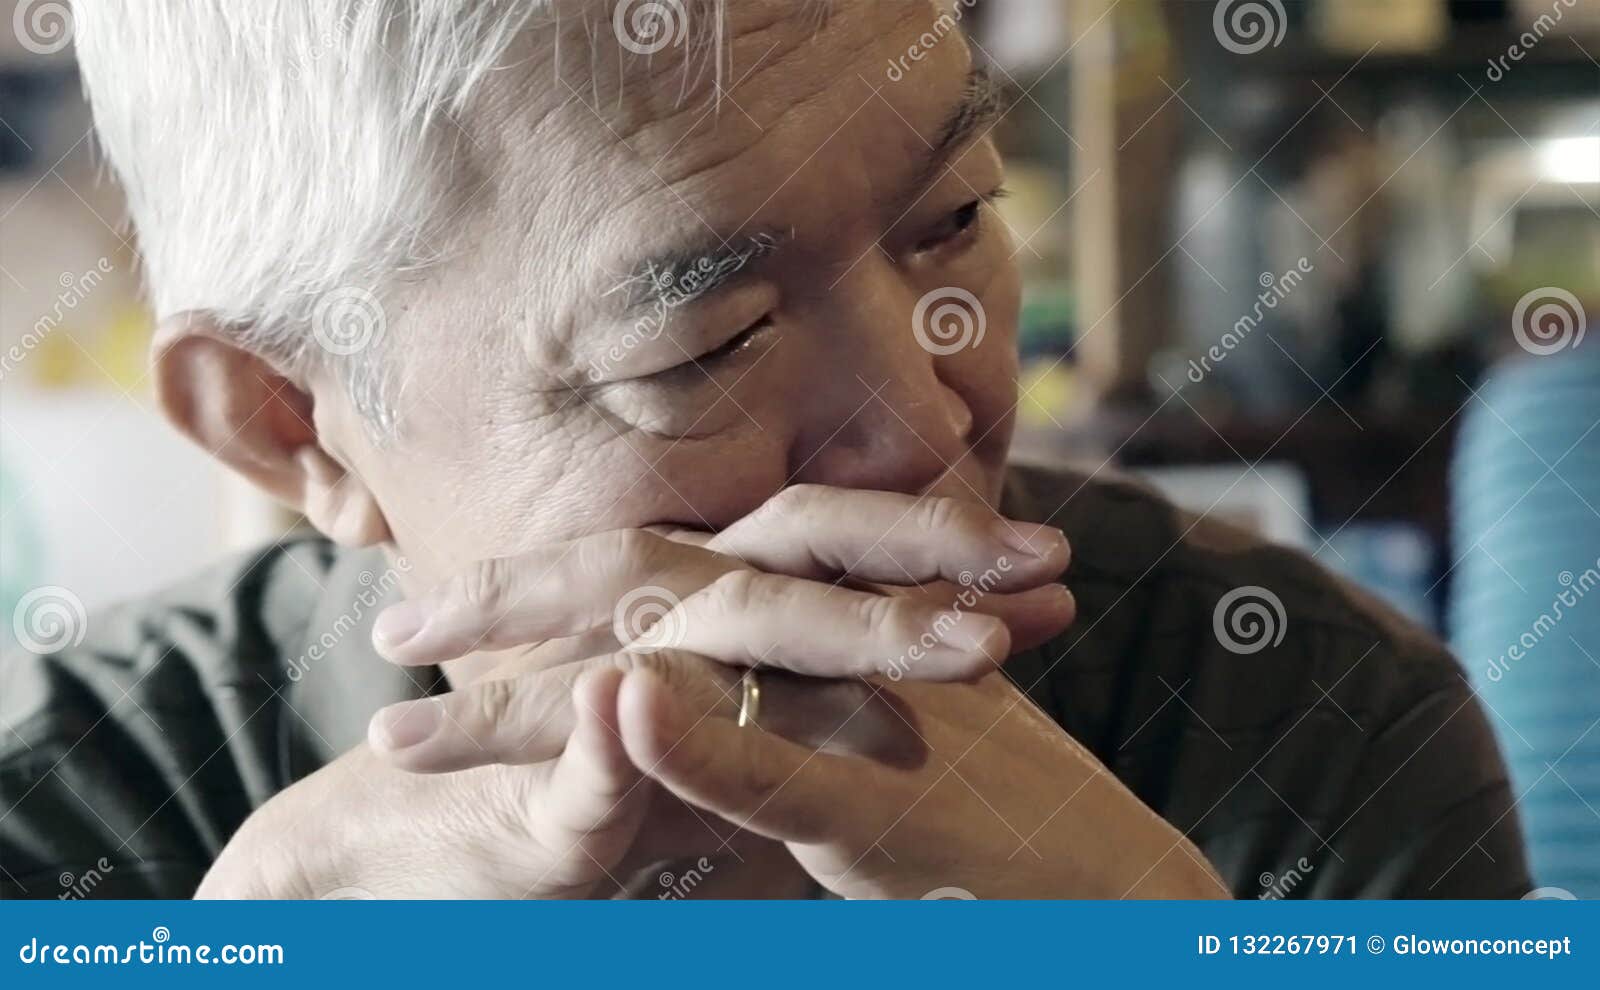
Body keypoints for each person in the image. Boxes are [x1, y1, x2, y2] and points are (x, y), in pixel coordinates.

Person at [0, 0, 1529, 899]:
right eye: (706, 342)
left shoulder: (1304, 723)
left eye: (953, 221)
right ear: (289, 423)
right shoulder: (80, 835)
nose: (932, 422)